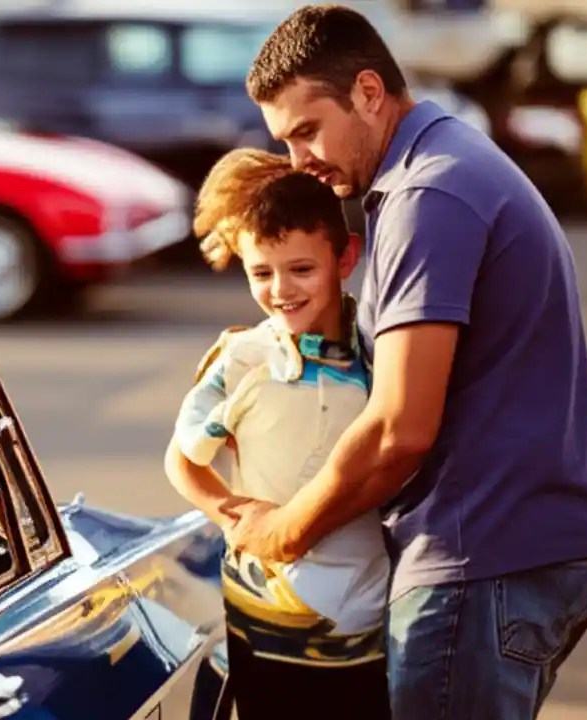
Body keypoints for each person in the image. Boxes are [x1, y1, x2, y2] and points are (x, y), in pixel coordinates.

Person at [211, 5, 587, 719]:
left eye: (308, 130)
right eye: (283, 139)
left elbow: (400, 427)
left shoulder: (426, 194)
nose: (298, 159)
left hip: (479, 558)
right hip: (515, 553)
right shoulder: (447, 165)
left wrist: (286, 529)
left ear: (369, 93)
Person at [165, 148, 389, 720]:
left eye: (301, 269)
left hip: (367, 628)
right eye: (261, 273)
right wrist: (234, 515)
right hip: (260, 623)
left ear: (346, 257)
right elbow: (183, 460)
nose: (281, 289)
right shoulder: (242, 357)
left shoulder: (382, 356)